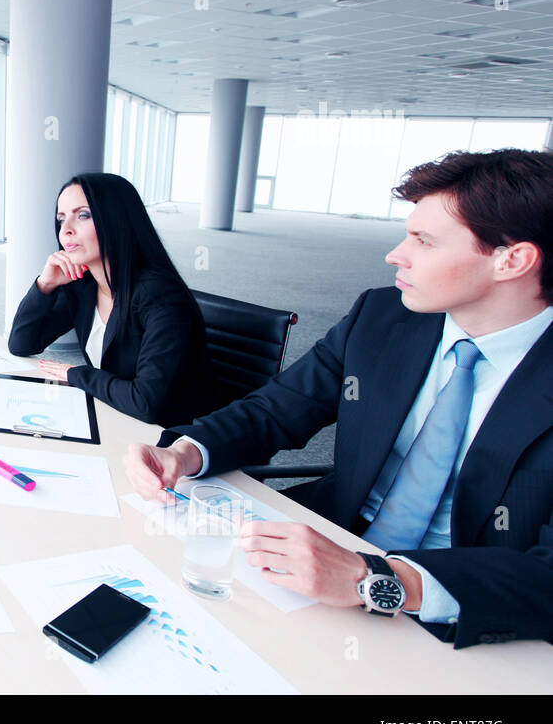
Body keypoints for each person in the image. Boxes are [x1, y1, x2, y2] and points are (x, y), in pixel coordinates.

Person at [125, 149, 553, 648]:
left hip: (467, 597)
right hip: (329, 533)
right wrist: (184, 451)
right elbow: (276, 410)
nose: (397, 254)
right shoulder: (383, 315)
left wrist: (375, 578)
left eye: (425, 241)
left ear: (513, 259)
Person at [7, 173, 215, 426]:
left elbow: (147, 403)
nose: (66, 230)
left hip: (170, 440)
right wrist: (45, 285)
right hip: (117, 416)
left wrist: (76, 375)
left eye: (83, 215)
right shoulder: (84, 287)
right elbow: (22, 344)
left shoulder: (160, 296)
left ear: (117, 220)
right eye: (61, 219)